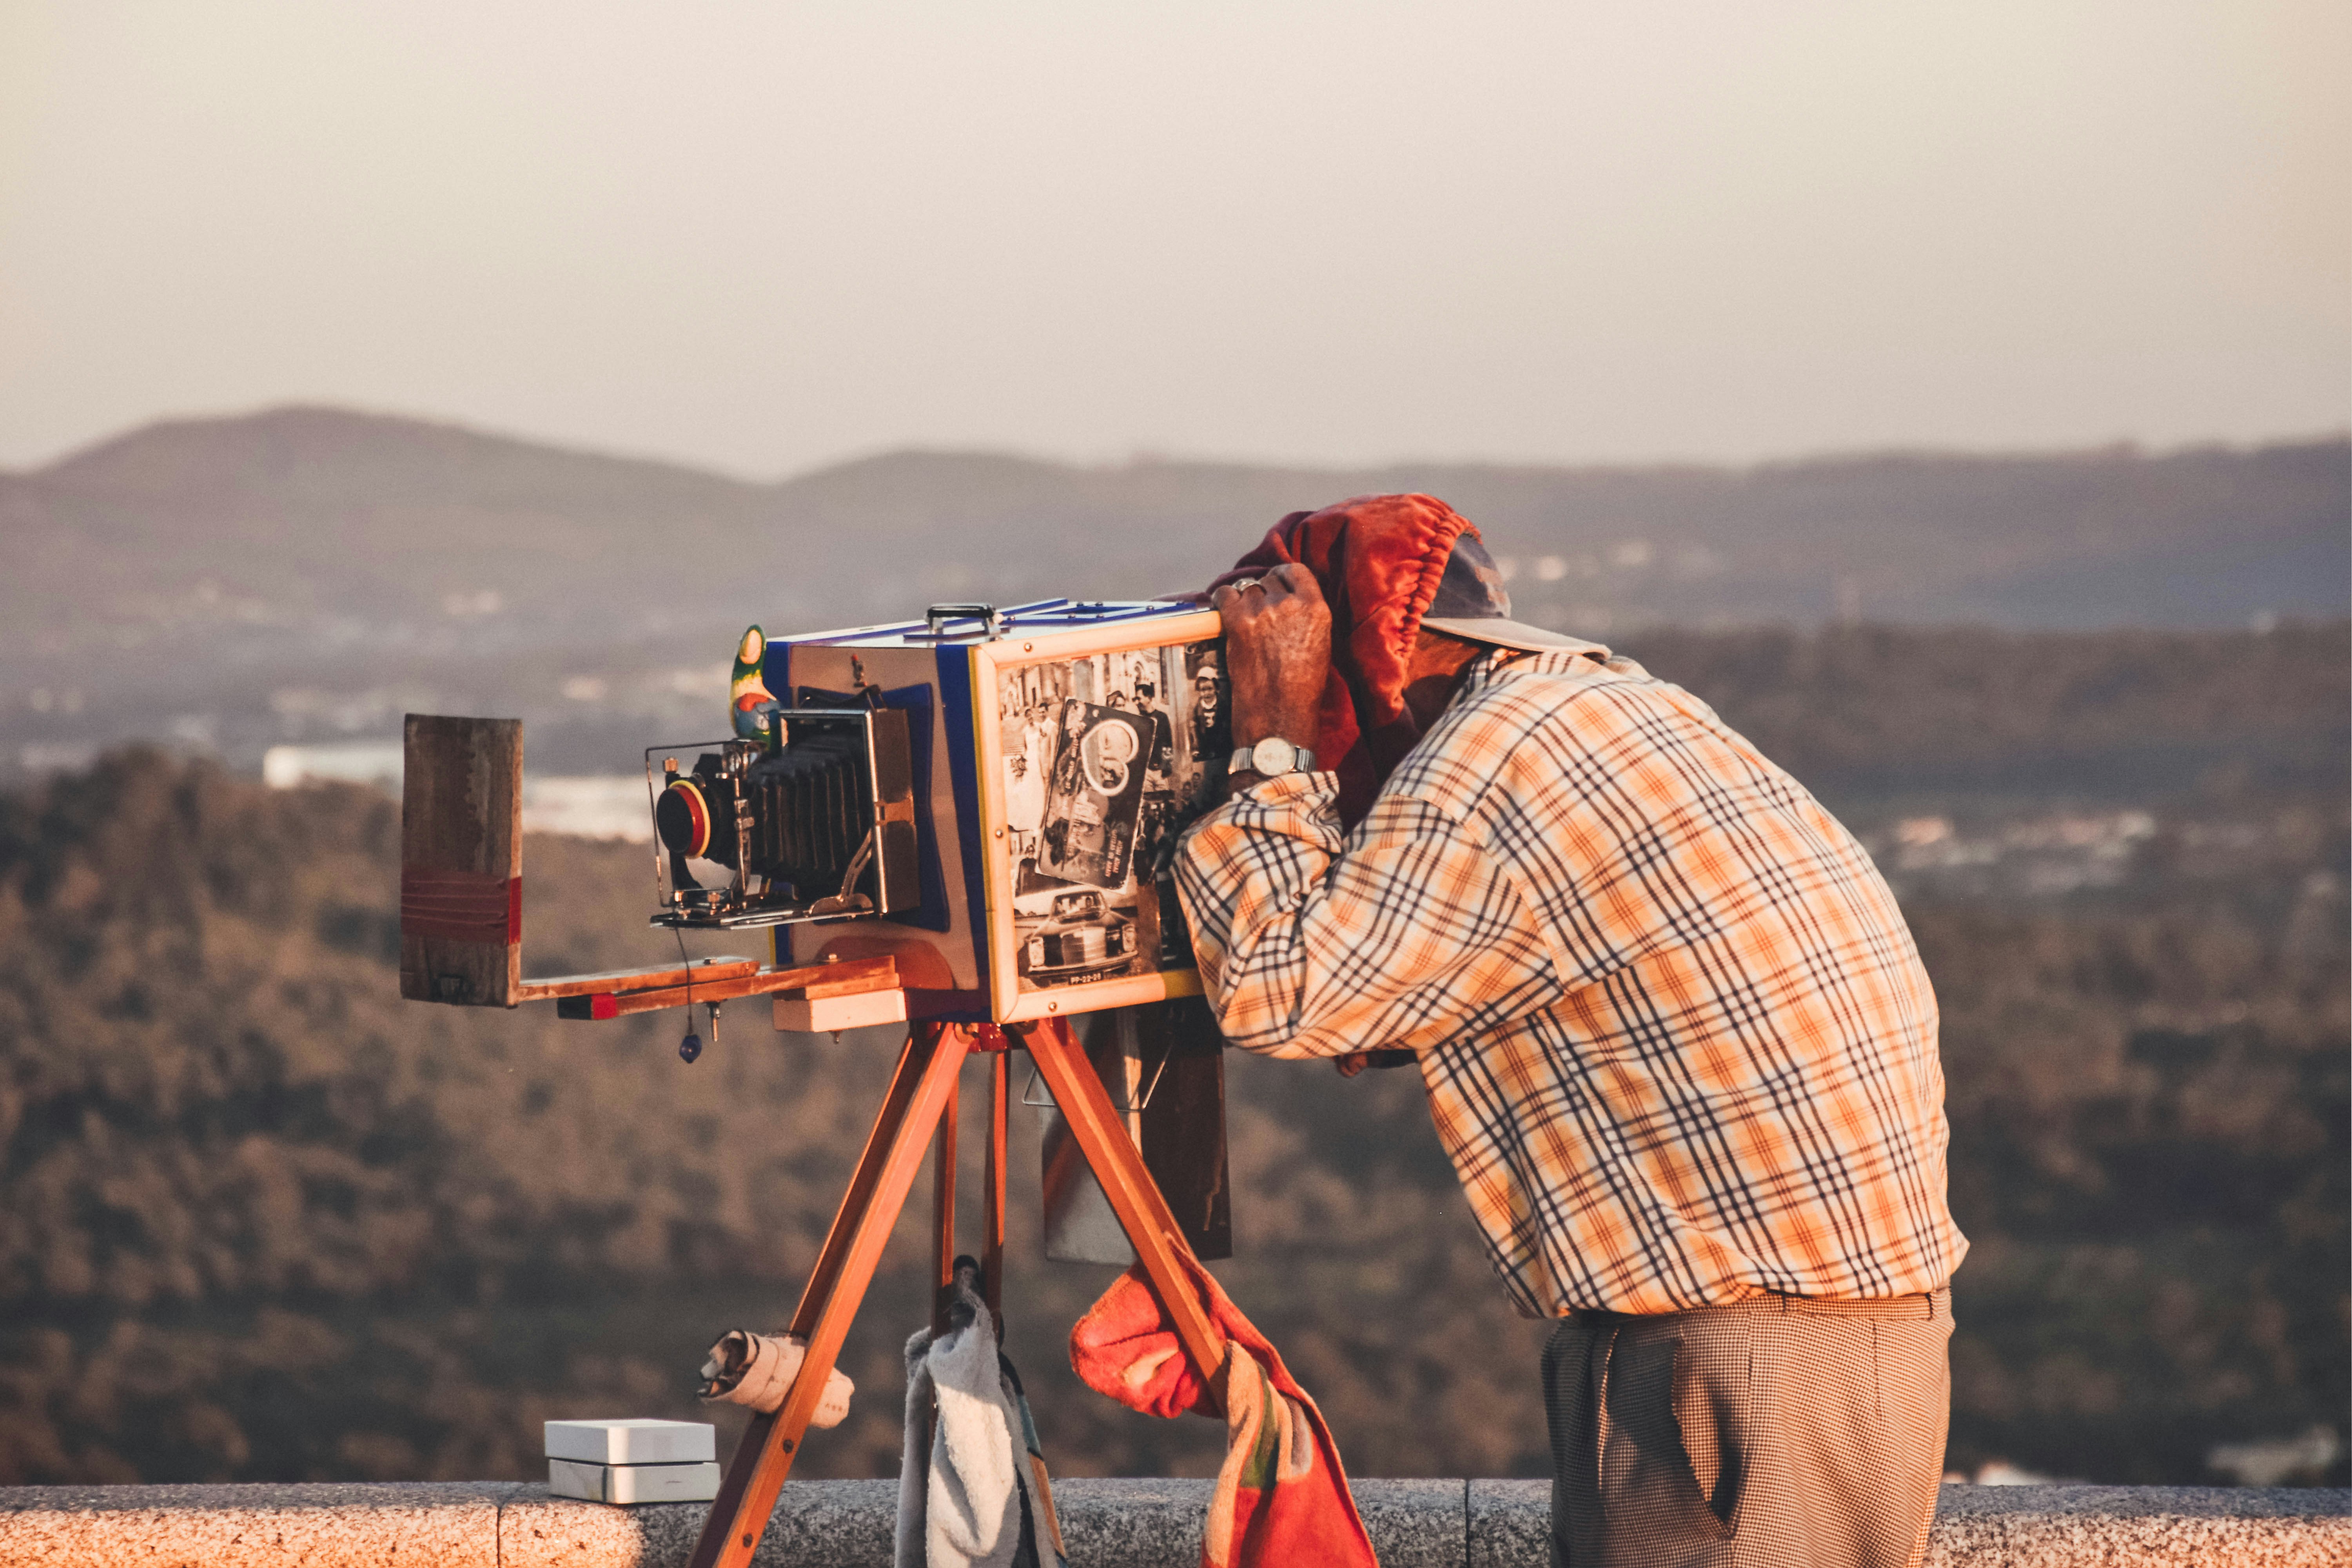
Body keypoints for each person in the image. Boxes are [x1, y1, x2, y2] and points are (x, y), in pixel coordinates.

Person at [1172, 494, 1965, 1568]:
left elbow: (1286, 990)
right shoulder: (1610, 708)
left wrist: (1268, 751)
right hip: (1817, 1336)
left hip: (1736, 1356)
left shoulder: (1484, 764)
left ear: (1352, 672)